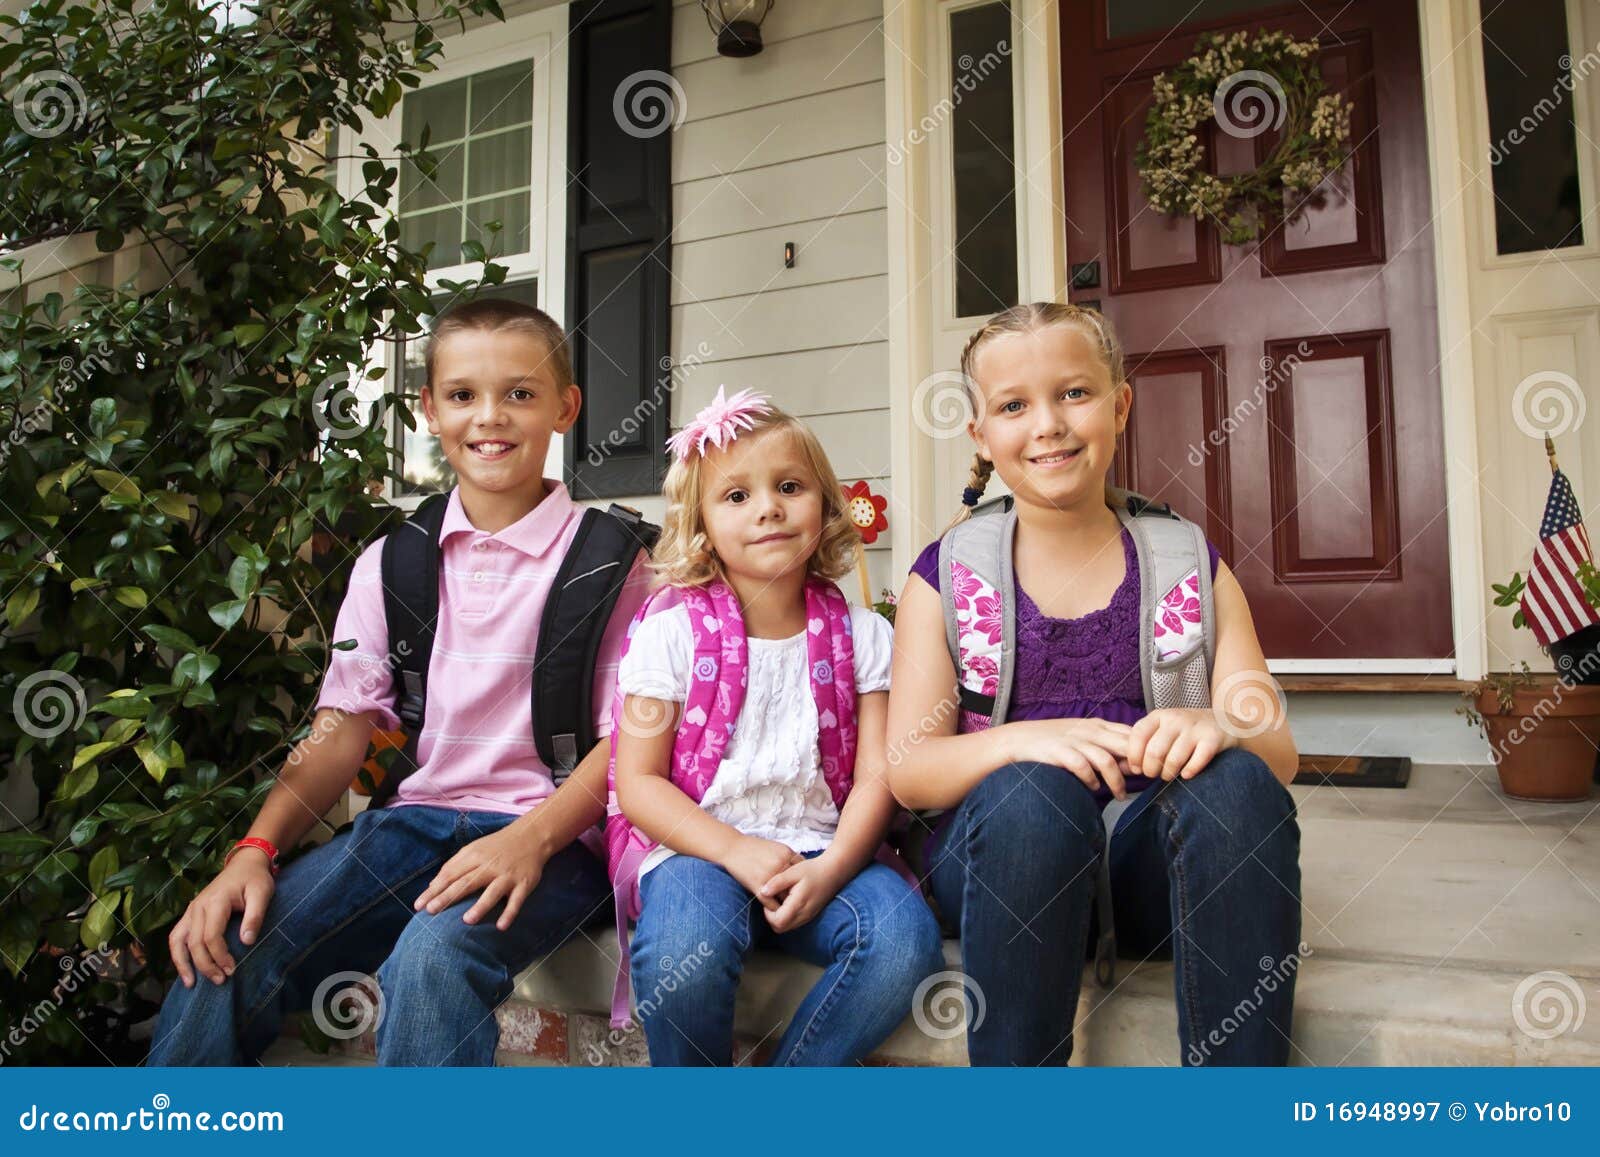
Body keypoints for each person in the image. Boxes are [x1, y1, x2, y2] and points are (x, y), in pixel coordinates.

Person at [147, 298, 650, 1066]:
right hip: (412, 826)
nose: (491, 417)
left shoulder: (613, 561)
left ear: (565, 407)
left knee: (433, 957)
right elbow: (340, 729)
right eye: (462, 395)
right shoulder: (394, 561)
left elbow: (632, 741)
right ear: (429, 408)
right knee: (224, 941)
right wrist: (252, 849)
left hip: (554, 838)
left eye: (520, 392)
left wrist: (533, 837)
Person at [886, 302, 1303, 1066]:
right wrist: (1026, 741)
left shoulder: (1187, 562)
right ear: (981, 433)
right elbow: (911, 773)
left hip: (1150, 873)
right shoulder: (946, 576)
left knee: (1239, 781)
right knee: (1031, 793)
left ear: (1120, 404)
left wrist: (1222, 722)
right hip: (1001, 870)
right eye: (1014, 406)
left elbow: (1275, 745)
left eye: (1073, 393)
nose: (1047, 424)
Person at [611, 389, 942, 1066]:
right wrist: (734, 849)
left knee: (903, 941)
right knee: (683, 953)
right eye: (736, 496)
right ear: (700, 522)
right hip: (698, 849)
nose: (767, 507)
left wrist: (833, 872)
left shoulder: (863, 634)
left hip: (824, 848)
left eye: (789, 487)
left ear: (823, 505)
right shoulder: (668, 635)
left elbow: (879, 775)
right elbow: (638, 785)